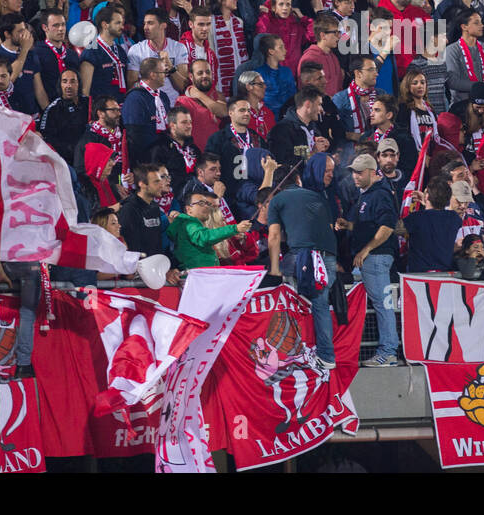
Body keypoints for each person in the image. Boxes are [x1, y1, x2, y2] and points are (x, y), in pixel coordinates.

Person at [268, 168, 340, 368]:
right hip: (328, 255)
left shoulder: (277, 200)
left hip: (302, 258)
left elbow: (274, 237)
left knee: (290, 302)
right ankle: (327, 356)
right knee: (321, 305)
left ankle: (294, 353)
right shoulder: (317, 196)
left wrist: (275, 269)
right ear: (298, 180)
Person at [337, 152, 399, 365]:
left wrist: (366, 250)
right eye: (353, 172)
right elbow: (369, 225)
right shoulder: (367, 193)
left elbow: (387, 227)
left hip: (376, 257)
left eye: (360, 173)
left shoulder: (380, 194)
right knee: (375, 304)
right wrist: (349, 225)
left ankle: (388, 352)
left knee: (382, 305)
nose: (355, 176)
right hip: (370, 257)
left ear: (373, 172)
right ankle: (379, 350)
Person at [167, 184, 254, 271]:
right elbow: (204, 237)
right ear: (189, 209)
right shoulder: (189, 224)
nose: (207, 207)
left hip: (204, 276)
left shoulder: (193, 225)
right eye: (201, 203)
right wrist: (235, 228)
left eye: (207, 203)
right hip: (198, 278)